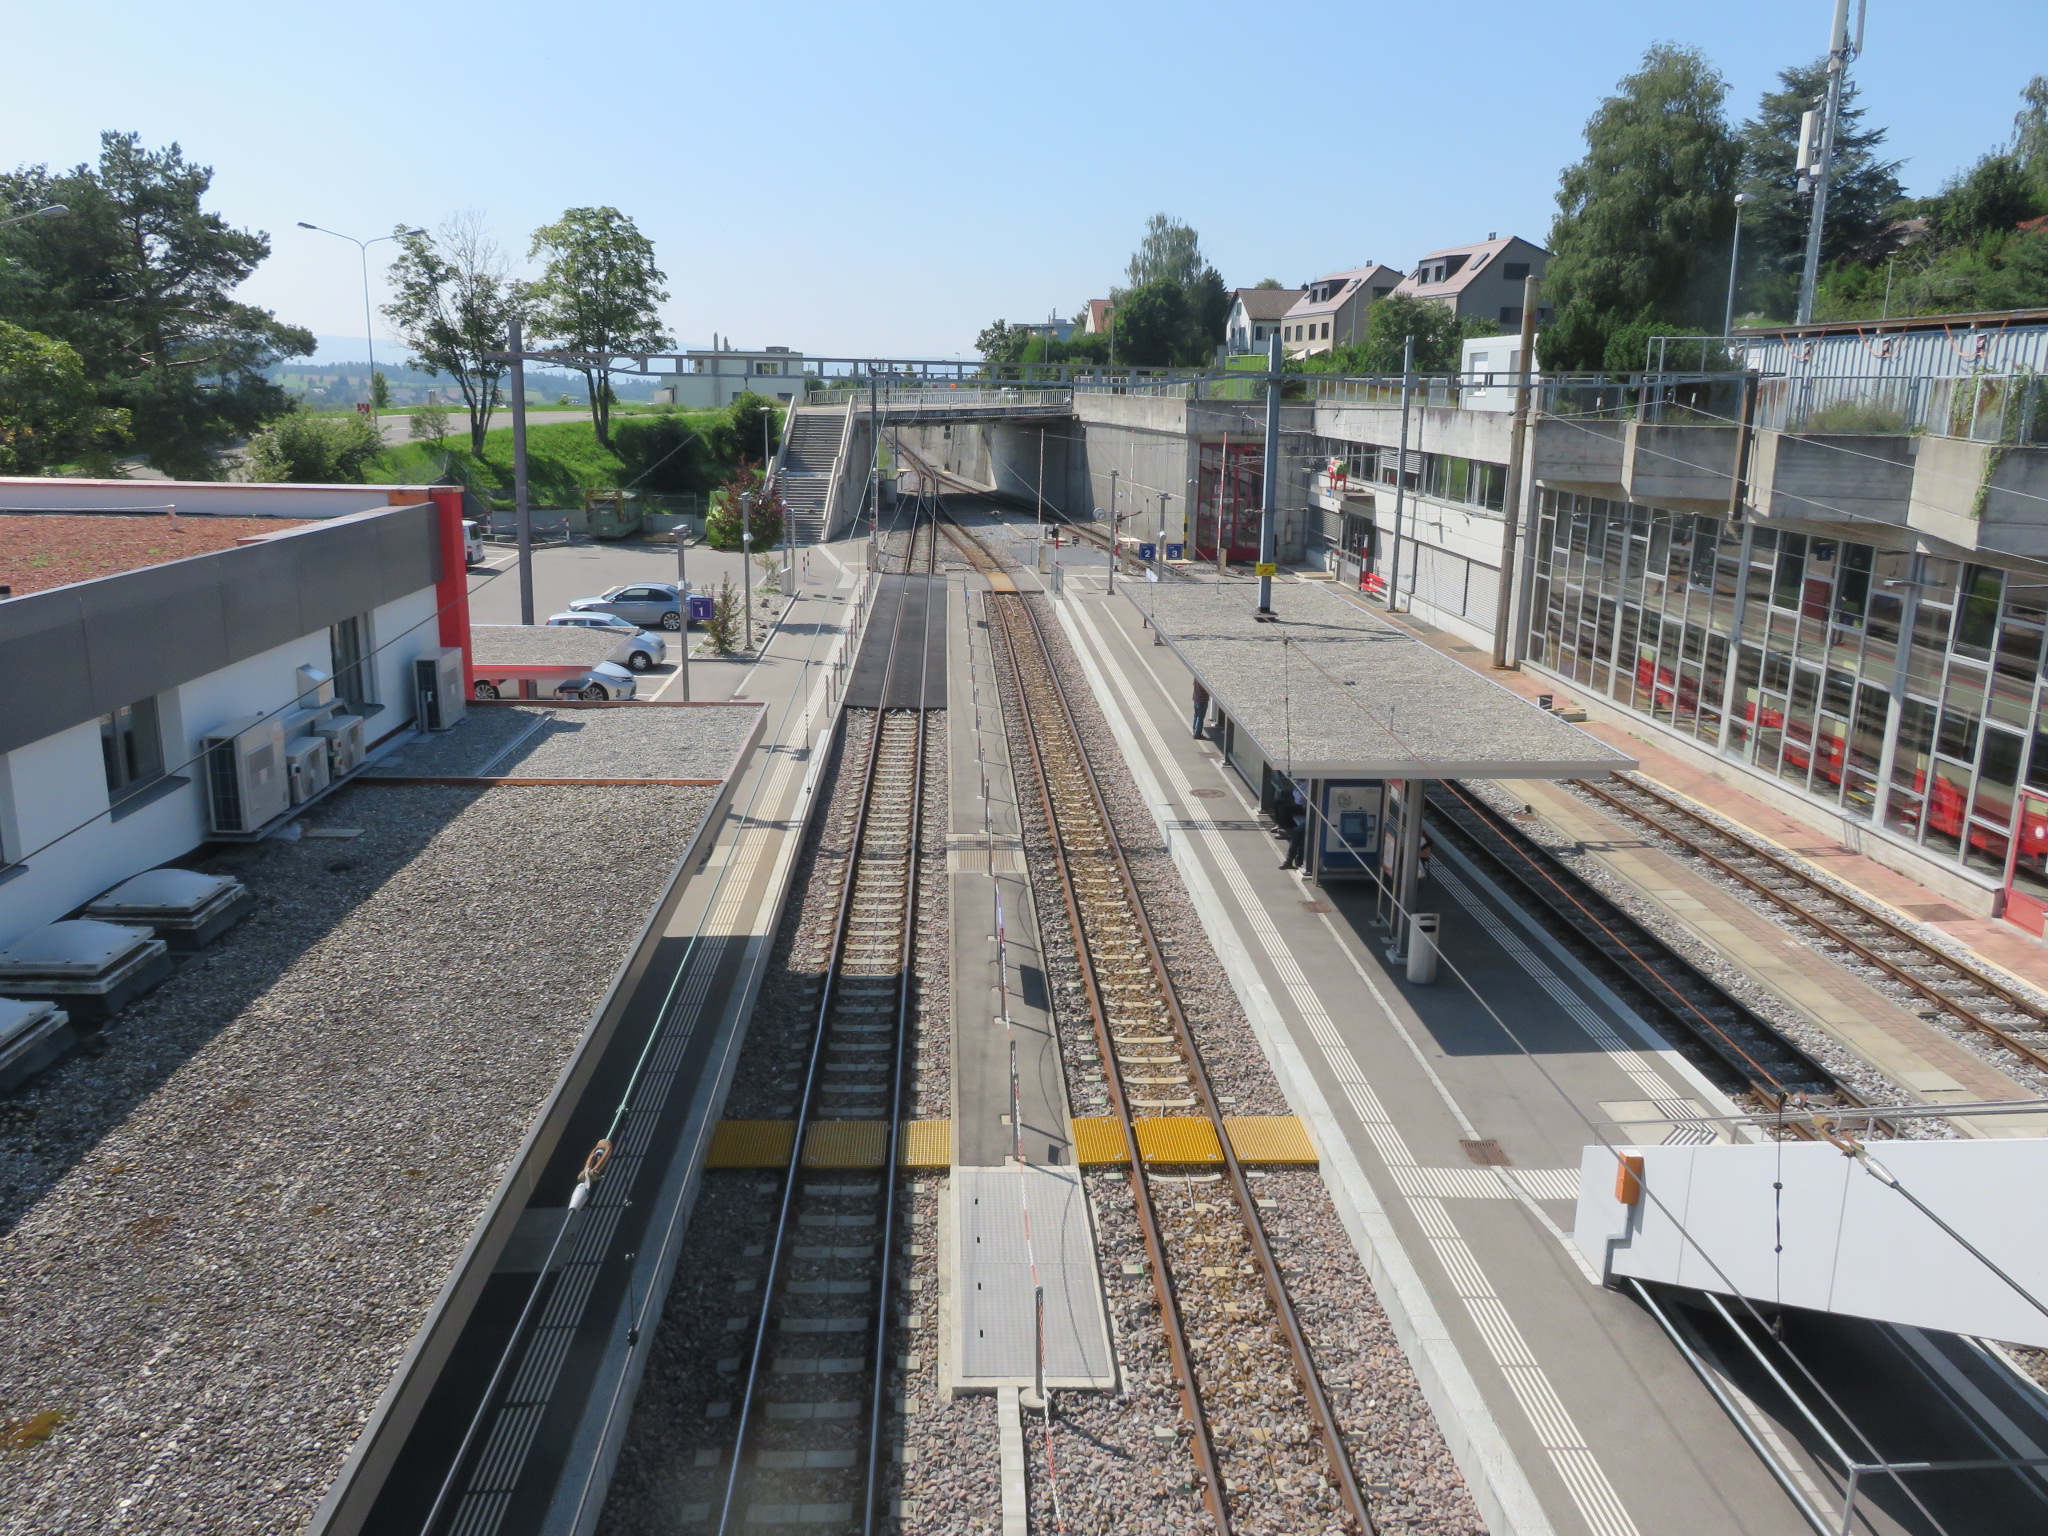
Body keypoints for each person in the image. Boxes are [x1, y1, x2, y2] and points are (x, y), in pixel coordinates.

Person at [1279, 781, 1308, 871]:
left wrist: (1297, 793)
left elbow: (1300, 797)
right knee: (1300, 833)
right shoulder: (1308, 781)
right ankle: (1294, 860)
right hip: (1310, 812)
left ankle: (1289, 860)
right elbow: (1296, 793)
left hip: (1319, 818)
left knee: (1298, 833)